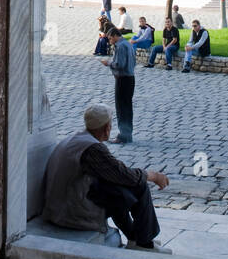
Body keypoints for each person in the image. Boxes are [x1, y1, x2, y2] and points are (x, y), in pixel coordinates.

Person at [42, 104, 171, 251]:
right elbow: (125, 175)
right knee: (138, 185)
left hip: (61, 206)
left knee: (115, 187)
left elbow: (115, 173)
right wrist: (153, 175)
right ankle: (144, 242)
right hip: (70, 211)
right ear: (107, 127)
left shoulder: (78, 139)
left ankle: (135, 238)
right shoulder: (93, 149)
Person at [100, 26, 137, 143]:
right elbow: (133, 61)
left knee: (121, 108)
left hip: (123, 79)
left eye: (110, 39)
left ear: (116, 36)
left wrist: (108, 63)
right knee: (127, 107)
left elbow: (119, 64)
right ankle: (127, 134)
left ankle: (123, 136)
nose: (110, 41)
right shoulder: (128, 44)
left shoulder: (120, 46)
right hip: (130, 78)